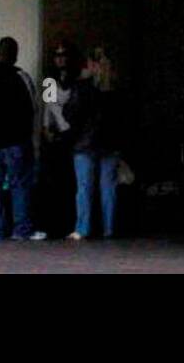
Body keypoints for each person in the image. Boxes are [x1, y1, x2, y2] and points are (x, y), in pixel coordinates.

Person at [0, 37, 46, 242]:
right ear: (15, 54)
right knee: (20, 186)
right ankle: (21, 229)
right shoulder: (21, 76)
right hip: (15, 143)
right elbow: (34, 107)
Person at [66, 46, 123, 240]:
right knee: (109, 188)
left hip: (85, 143)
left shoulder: (83, 86)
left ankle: (83, 228)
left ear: (90, 64)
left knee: (84, 188)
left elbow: (71, 113)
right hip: (111, 143)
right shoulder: (116, 88)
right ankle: (109, 228)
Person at [38, 40, 79, 238]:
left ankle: (67, 224)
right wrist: (47, 129)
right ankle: (50, 224)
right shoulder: (49, 80)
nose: (60, 59)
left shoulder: (76, 80)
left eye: (64, 55)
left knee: (68, 183)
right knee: (51, 182)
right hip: (55, 135)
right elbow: (49, 107)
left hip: (70, 136)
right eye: (57, 55)